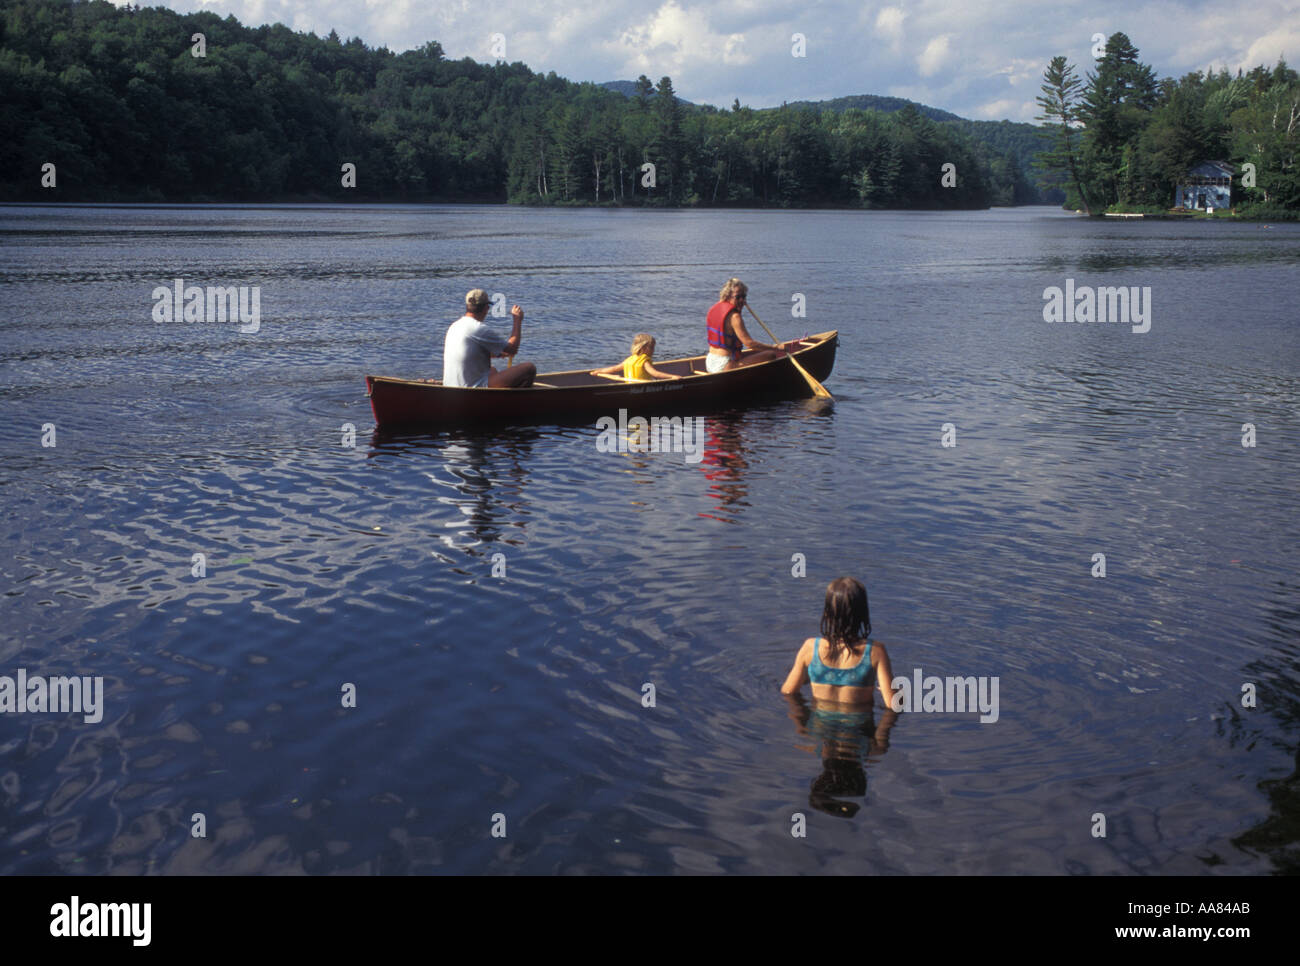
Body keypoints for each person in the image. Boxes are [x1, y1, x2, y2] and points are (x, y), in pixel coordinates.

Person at [780, 577, 895, 706]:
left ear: (828, 613)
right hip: (860, 726)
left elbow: (788, 692)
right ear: (862, 613)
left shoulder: (810, 648)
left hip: (817, 726)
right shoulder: (876, 652)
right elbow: (893, 706)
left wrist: (801, 724)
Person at [442, 289, 536, 388]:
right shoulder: (478, 328)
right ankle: (513, 402)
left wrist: (499, 353)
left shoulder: (454, 326)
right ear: (486, 308)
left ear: (467, 307)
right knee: (529, 369)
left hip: (450, 387)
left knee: (493, 370)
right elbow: (513, 348)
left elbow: (469, 353)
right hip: (470, 389)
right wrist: (517, 320)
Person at [705, 278, 787, 373]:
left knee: (748, 355)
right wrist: (776, 348)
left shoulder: (714, 308)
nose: (742, 300)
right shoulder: (735, 317)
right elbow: (749, 344)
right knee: (771, 355)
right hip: (724, 365)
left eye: (744, 297)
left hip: (710, 362)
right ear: (727, 296)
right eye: (738, 297)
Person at [589, 333, 680, 381]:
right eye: (651, 347)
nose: (653, 350)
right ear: (643, 348)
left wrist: (599, 371)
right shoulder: (644, 361)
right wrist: (672, 377)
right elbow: (655, 374)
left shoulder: (629, 360)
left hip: (631, 386)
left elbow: (613, 369)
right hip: (641, 387)